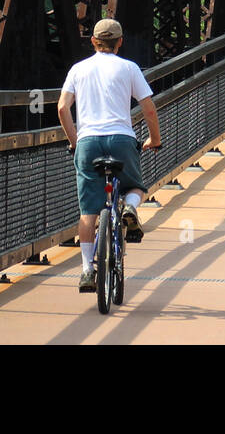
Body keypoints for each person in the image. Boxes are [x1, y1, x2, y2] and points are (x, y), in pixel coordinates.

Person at [57, 18, 162, 293]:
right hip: (121, 140)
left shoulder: (78, 69)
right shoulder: (129, 68)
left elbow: (61, 108)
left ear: (93, 41)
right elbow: (149, 109)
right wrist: (155, 139)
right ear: (120, 42)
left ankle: (86, 271)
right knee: (136, 186)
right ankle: (129, 207)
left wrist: (74, 141)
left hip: (88, 142)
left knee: (88, 211)